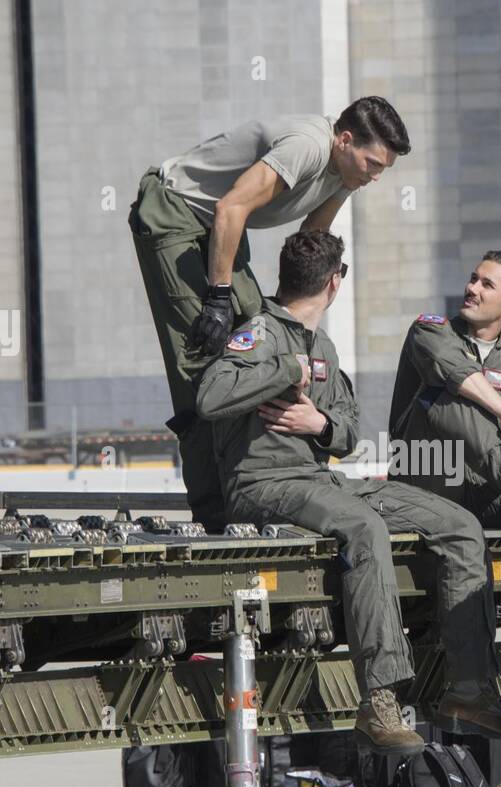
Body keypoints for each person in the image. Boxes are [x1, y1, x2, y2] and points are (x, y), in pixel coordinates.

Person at [197, 231, 501, 755]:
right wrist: (287, 369)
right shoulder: (261, 334)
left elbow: (349, 431)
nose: (471, 287)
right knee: (364, 528)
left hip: (321, 480)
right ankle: (378, 698)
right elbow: (211, 396)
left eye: (484, 281)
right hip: (262, 485)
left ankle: (470, 690)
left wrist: (319, 425)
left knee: (459, 526)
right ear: (335, 284)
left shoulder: (325, 346)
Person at [130, 97, 410, 528]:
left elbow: (311, 238)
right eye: (372, 163)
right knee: (205, 355)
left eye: (383, 170)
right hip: (176, 212)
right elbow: (231, 207)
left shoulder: (346, 173)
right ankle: (214, 510)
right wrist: (219, 297)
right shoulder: (308, 147)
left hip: (220, 229)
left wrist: (292, 311)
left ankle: (268, 474)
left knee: (255, 341)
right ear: (345, 139)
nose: (375, 175)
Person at [387, 252, 501, 527]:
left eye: (486, 285)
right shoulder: (429, 331)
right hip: (423, 491)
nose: (471, 288)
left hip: (487, 499)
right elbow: (458, 373)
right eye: (473, 279)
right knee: (442, 395)